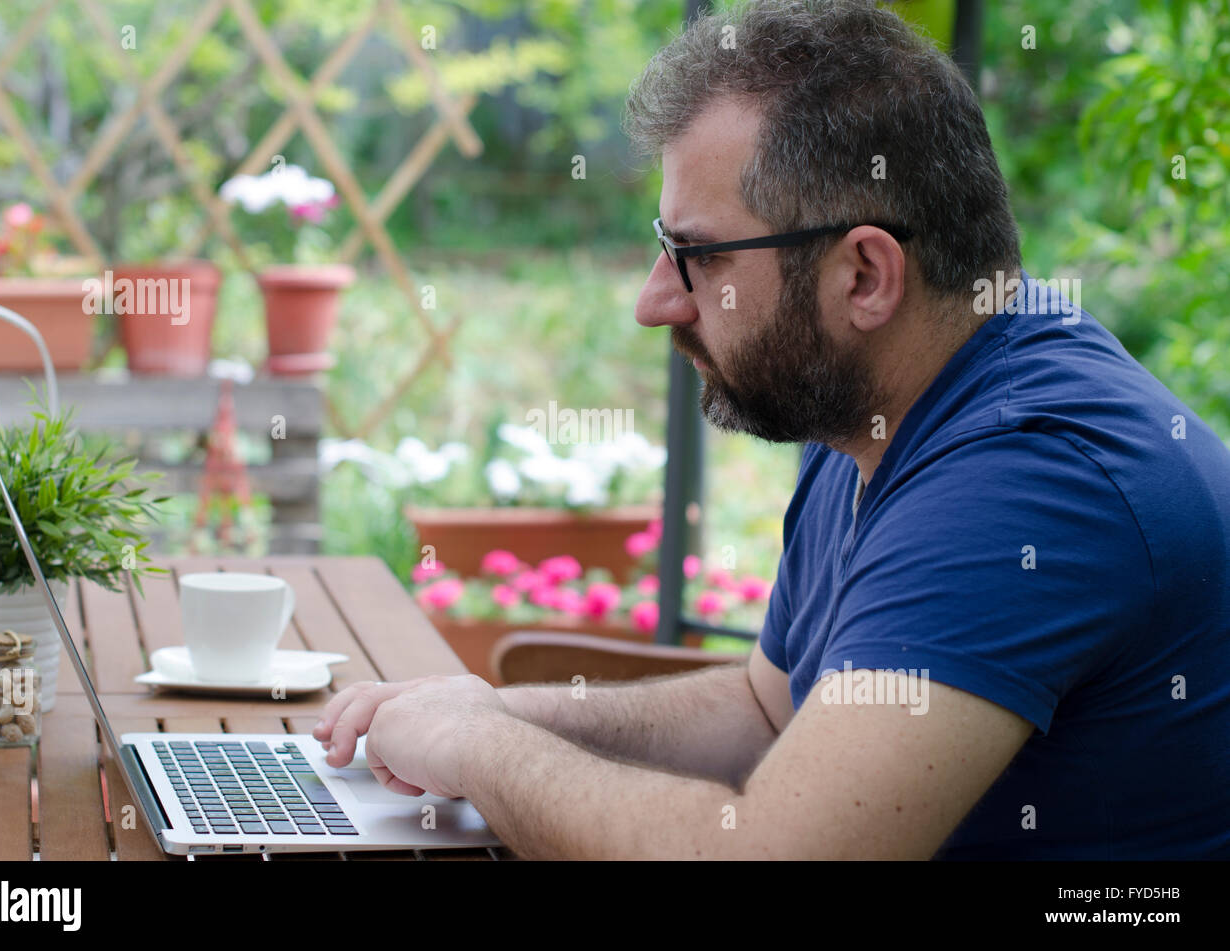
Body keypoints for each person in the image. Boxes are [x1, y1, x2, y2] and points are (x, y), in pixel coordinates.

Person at [313, 0, 1230, 859]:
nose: (652, 302)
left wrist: (480, 752)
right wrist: (500, 715)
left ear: (865, 275)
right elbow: (767, 708)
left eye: (698, 256)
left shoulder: (1031, 478)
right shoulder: (881, 399)